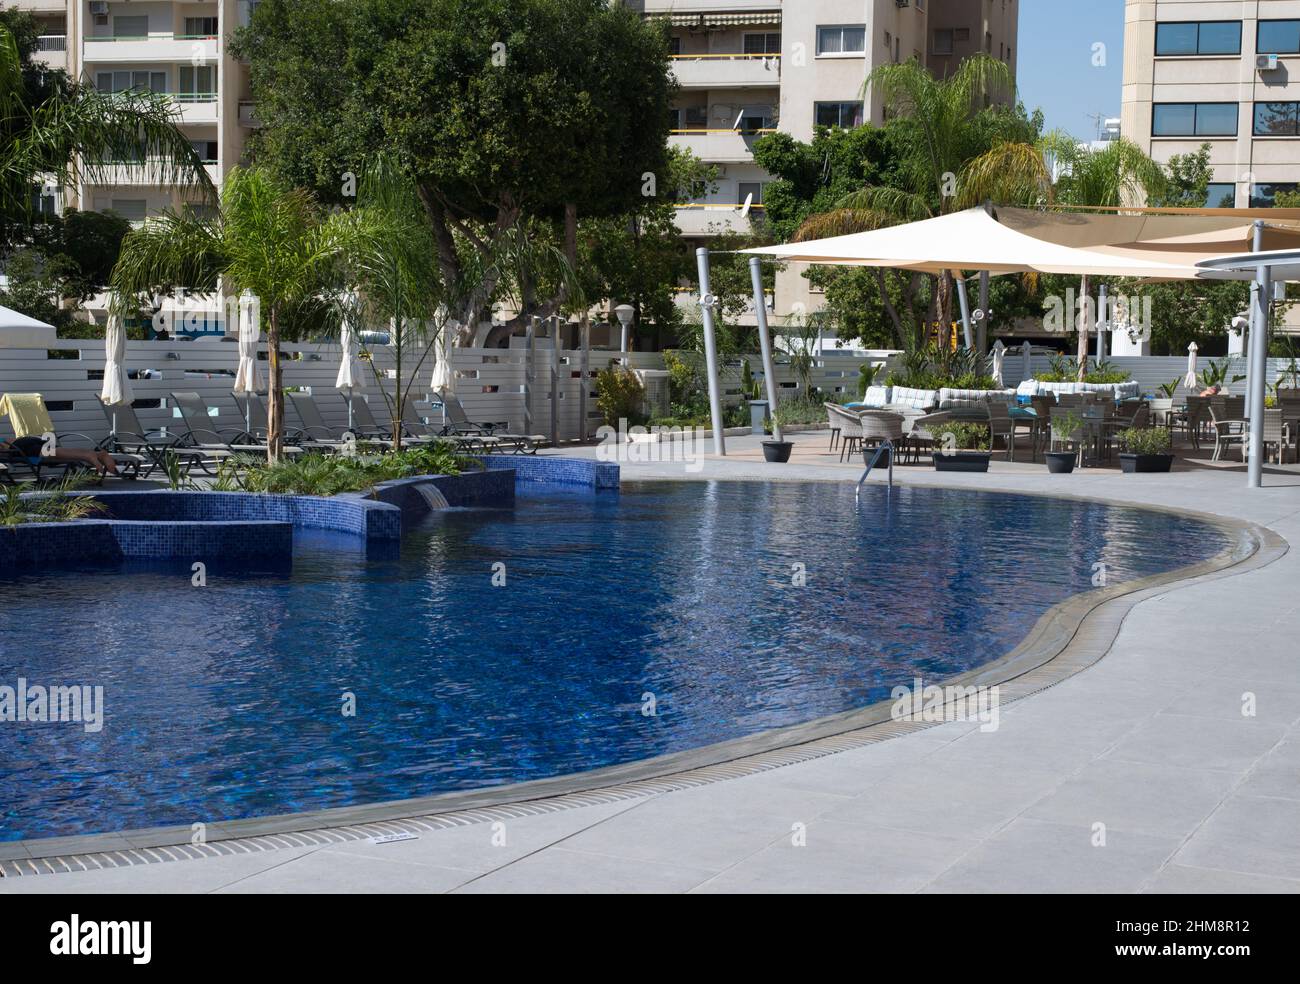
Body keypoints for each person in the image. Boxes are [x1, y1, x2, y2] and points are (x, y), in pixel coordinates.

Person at [1, 437, 119, 477]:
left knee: (50, 454)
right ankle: (98, 455)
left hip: (20, 448)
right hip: (24, 443)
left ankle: (88, 455)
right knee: (57, 454)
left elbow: (3, 445)